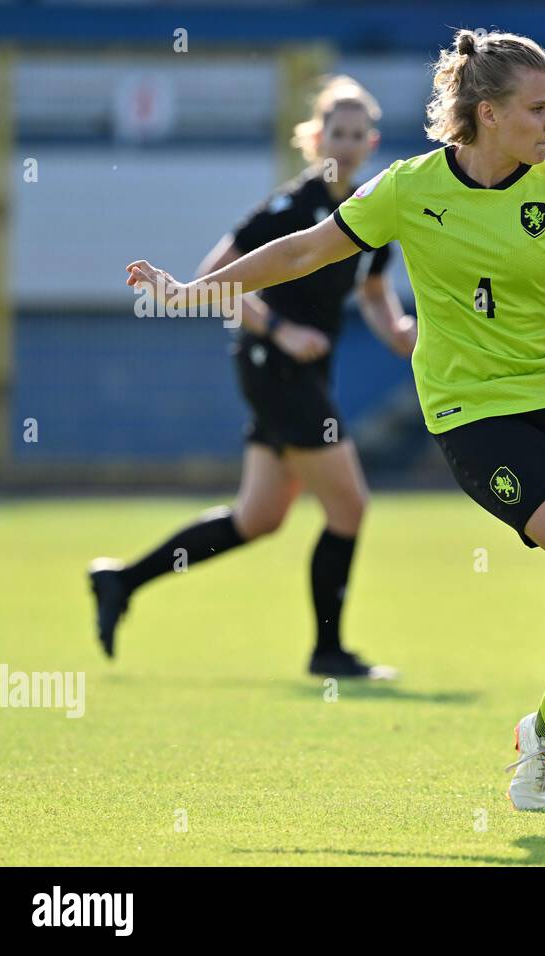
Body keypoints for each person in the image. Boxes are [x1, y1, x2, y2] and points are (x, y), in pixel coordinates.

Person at [121, 31, 545, 812]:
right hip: (473, 415)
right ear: (488, 114)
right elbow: (304, 251)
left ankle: (541, 740)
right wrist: (191, 290)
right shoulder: (409, 188)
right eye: (540, 109)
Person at [91, 76, 417, 679]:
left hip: (301, 375)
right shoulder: (292, 207)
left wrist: (398, 330)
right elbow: (217, 275)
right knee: (349, 505)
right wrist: (278, 331)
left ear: (371, 142)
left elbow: (372, 291)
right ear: (314, 138)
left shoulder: (371, 212)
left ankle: (121, 580)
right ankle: (329, 652)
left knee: (259, 517)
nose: (344, 146)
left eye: (355, 135)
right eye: (333, 133)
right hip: (274, 368)